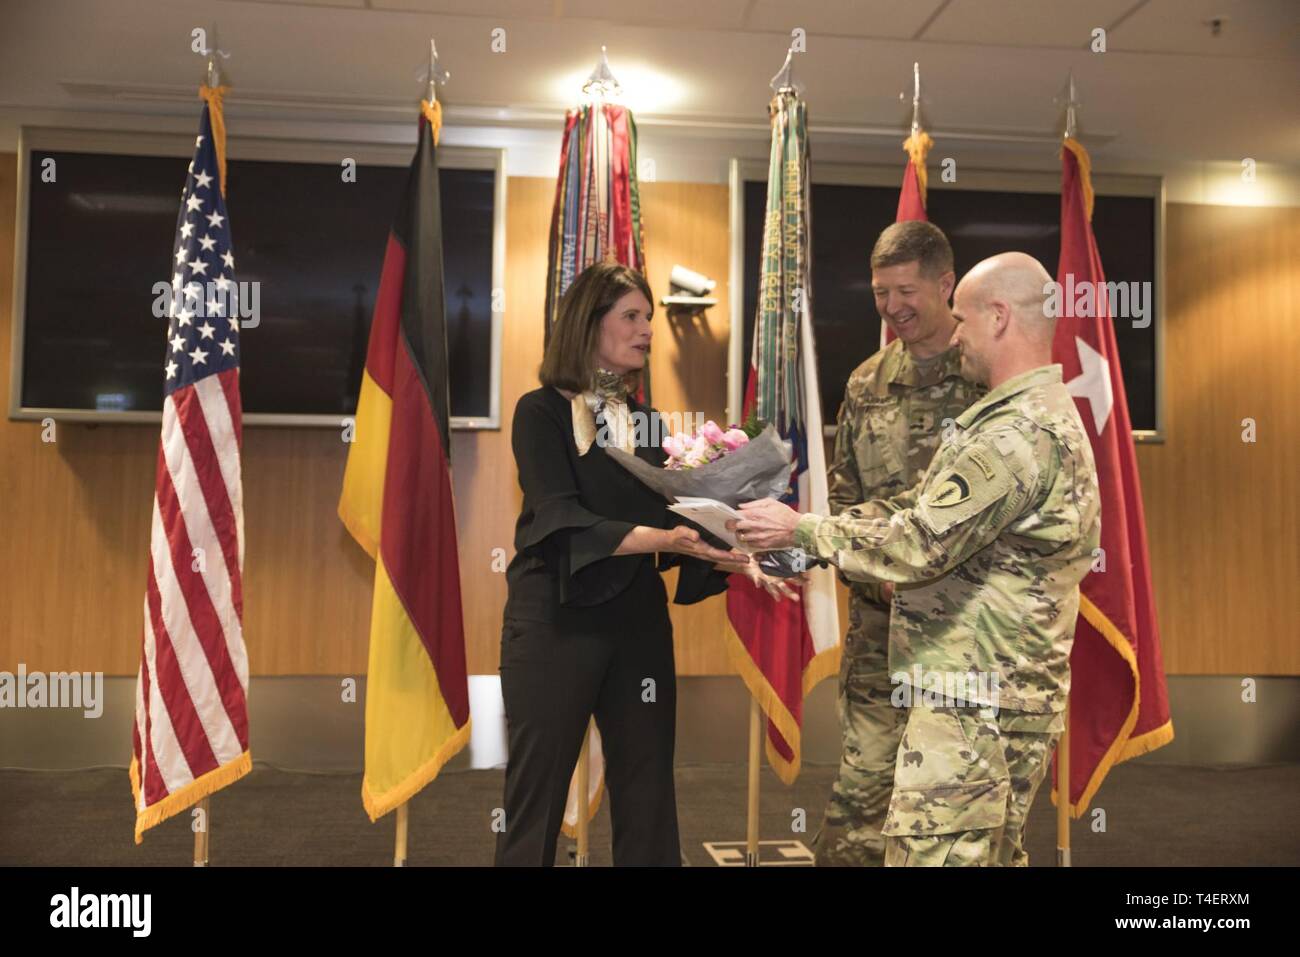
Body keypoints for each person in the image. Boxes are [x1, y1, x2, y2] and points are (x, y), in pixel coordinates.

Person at [734, 251, 1101, 866]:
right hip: (989, 693)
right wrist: (790, 542)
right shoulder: (1027, 419)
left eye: (963, 319)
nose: (956, 334)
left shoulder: (1015, 435)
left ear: (1000, 317)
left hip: (974, 703)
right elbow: (914, 509)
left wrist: (800, 531)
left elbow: (919, 544)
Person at [495, 261, 794, 867]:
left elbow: (683, 518)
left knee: (649, 790)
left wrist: (749, 558)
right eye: (632, 317)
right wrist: (665, 540)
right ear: (589, 323)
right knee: (536, 798)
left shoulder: (650, 422)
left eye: (650, 320)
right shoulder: (540, 412)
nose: (647, 331)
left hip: (637, 623)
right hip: (555, 621)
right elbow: (558, 520)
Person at [814, 221, 984, 867]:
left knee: (950, 806)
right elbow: (844, 504)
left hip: (964, 639)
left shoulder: (985, 378)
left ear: (946, 284)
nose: (892, 307)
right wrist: (873, 575)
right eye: (881, 292)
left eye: (906, 290)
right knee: (862, 795)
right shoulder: (865, 384)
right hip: (879, 631)